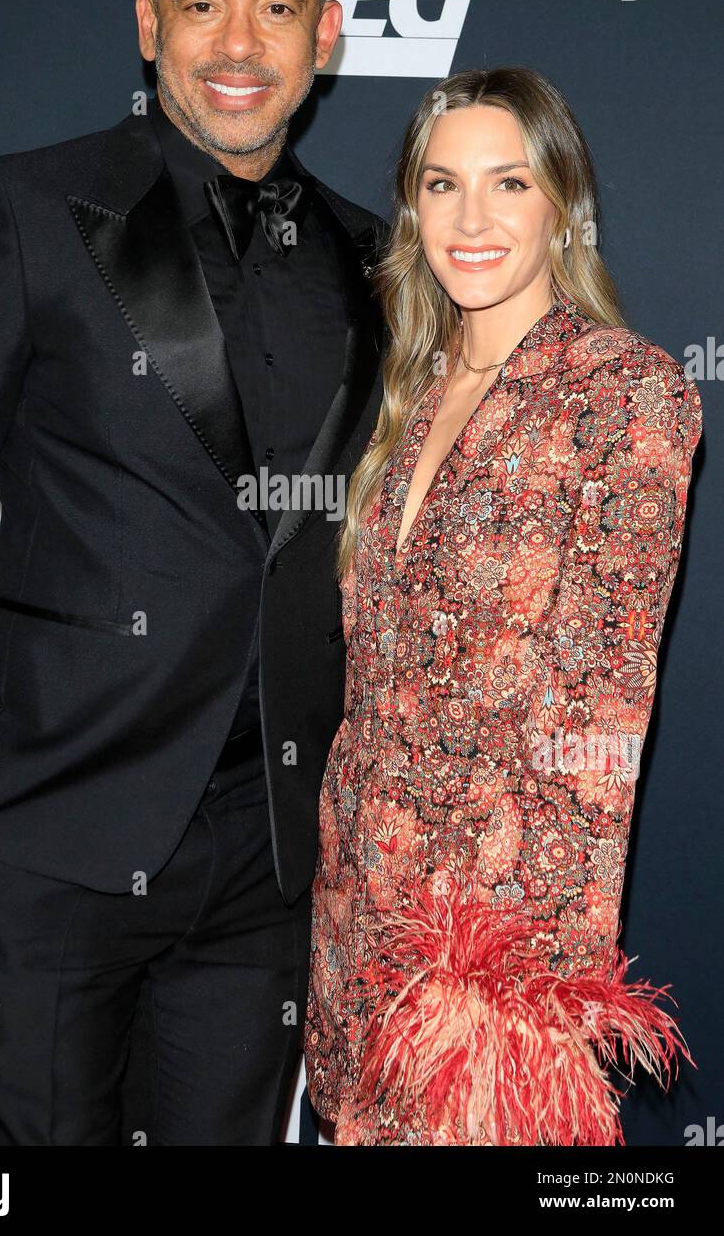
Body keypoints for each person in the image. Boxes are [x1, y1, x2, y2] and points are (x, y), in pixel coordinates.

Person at [0, 0, 387, 1145]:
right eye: (202, 4)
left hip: (269, 865)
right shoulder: (24, 210)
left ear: (328, 39)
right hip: (46, 837)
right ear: (150, 27)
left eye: (278, 5)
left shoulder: (378, 261)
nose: (239, 43)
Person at [304, 67, 703, 1146]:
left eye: (508, 183)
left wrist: (518, 994)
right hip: (354, 930)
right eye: (441, 184)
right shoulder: (406, 393)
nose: (470, 218)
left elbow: (602, 706)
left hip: (483, 968)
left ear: (561, 204)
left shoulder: (621, 391)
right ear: (410, 207)